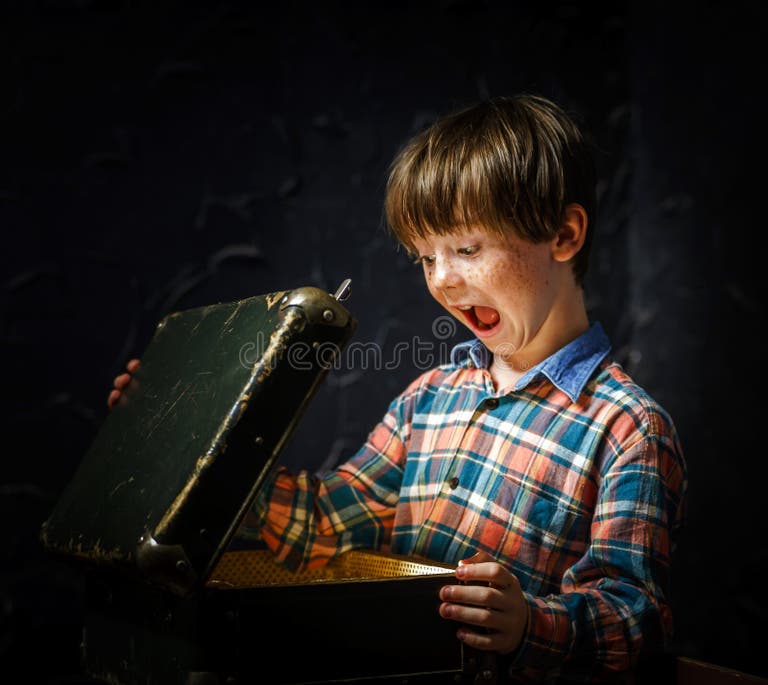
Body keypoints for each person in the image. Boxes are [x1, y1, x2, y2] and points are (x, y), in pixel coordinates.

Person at [108, 94, 687, 683]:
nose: (443, 280)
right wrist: (200, 453)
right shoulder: (428, 399)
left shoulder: (628, 427)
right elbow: (324, 526)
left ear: (563, 235)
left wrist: (529, 624)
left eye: (466, 249)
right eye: (426, 258)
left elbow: (634, 620)